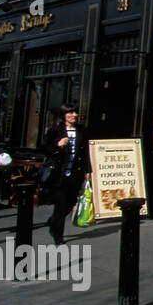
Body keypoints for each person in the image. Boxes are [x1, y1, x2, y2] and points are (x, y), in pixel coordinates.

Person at [41, 104, 90, 245]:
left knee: (71, 201)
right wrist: (58, 145)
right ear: (64, 115)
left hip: (75, 174)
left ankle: (53, 221)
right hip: (59, 175)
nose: (74, 115)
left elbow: (85, 153)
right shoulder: (55, 130)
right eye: (70, 112)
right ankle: (58, 235)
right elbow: (44, 148)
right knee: (61, 205)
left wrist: (88, 171)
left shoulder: (81, 131)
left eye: (75, 112)